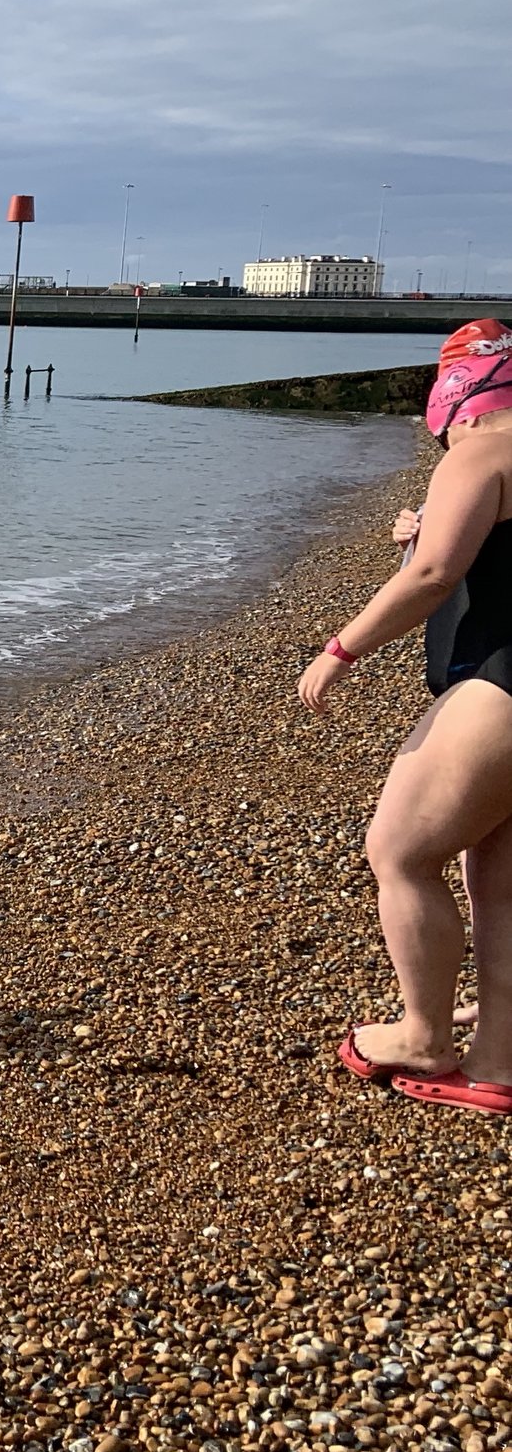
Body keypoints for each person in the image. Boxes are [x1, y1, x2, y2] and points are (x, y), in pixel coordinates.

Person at [303, 320, 512, 1112]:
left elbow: (430, 575)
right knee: (497, 881)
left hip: (499, 680)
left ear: (456, 399)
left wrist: (339, 649)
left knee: (399, 851)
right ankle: (499, 1057)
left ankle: (423, 1034)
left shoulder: (481, 449)